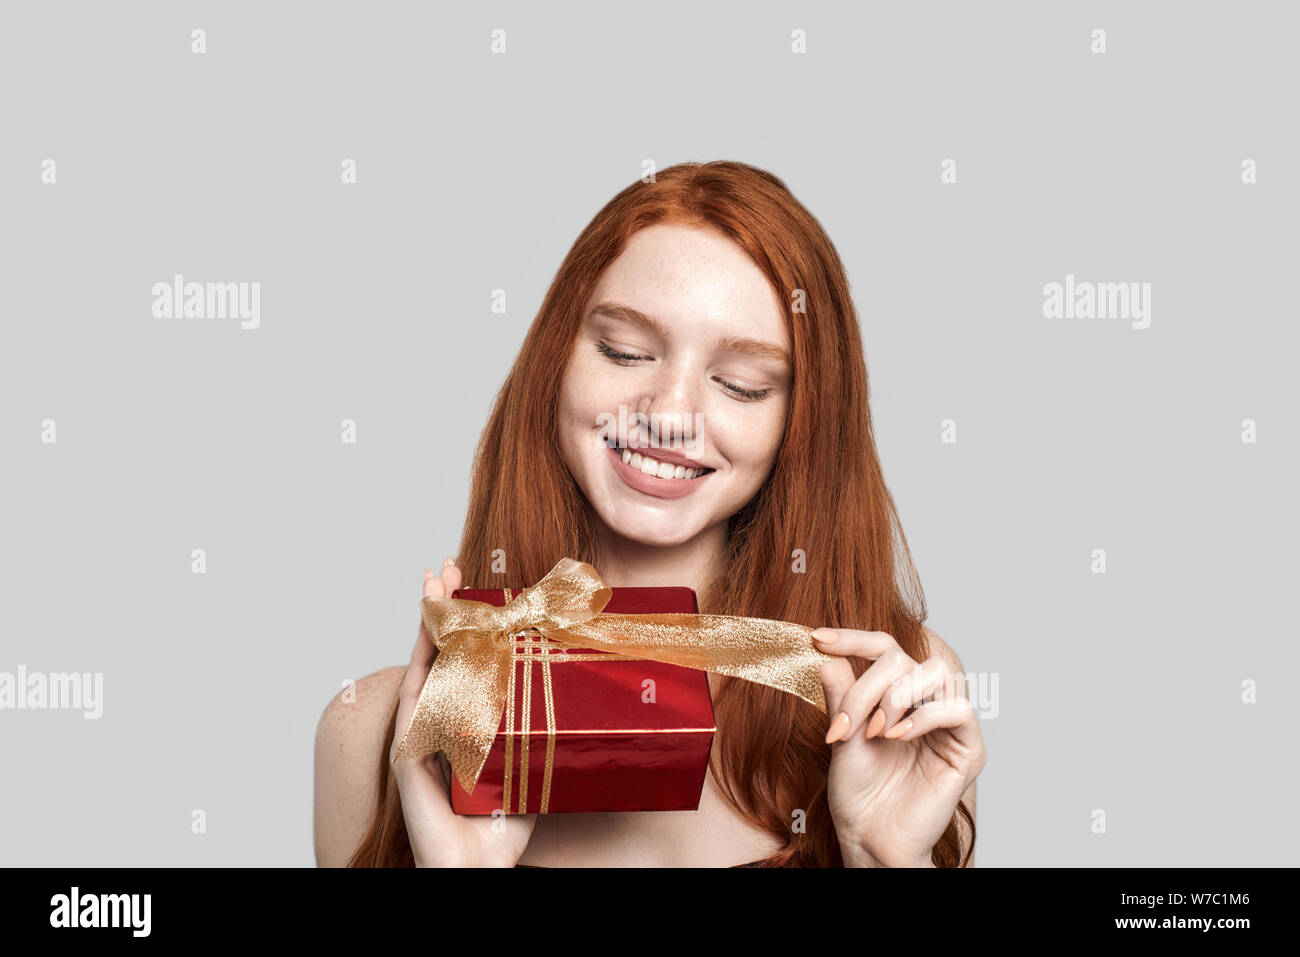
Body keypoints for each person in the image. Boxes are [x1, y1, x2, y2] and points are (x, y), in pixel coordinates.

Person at [313, 161, 986, 867]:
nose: (669, 414)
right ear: (554, 361)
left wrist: (882, 859)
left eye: (741, 385)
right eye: (624, 352)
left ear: (803, 421)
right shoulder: (373, 733)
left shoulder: (895, 696)